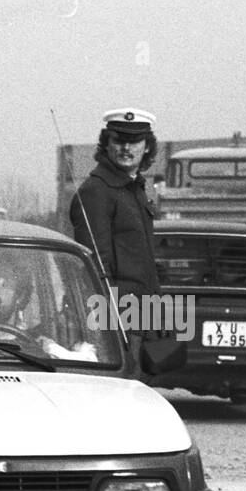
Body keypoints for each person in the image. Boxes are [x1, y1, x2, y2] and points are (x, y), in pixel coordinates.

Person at [69, 107, 162, 347]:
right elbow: (95, 266)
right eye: (119, 141)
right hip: (118, 324)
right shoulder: (96, 191)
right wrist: (110, 332)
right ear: (106, 144)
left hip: (144, 316)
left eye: (134, 142)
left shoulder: (134, 189)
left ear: (147, 147)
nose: (126, 149)